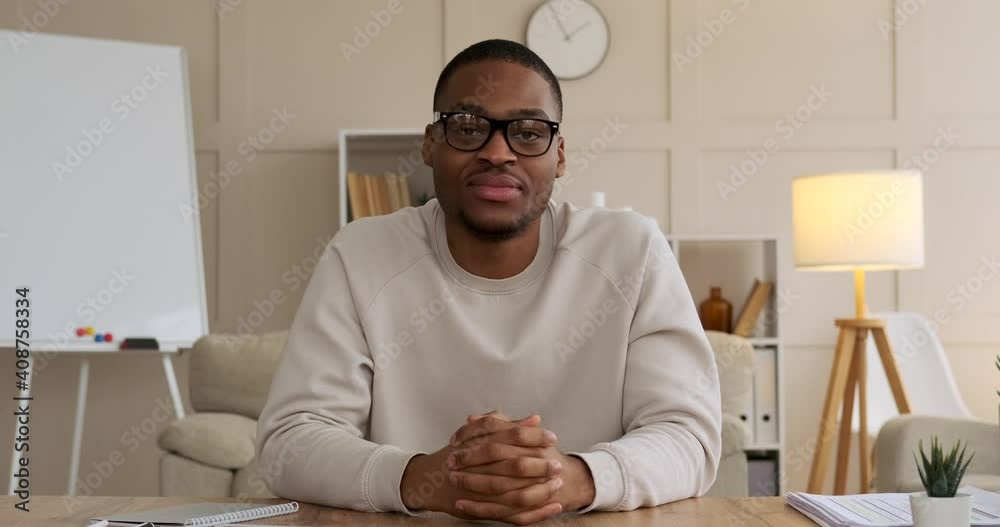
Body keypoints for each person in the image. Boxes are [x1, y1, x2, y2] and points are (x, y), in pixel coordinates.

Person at [256, 38, 721, 525]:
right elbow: (291, 440)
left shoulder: (632, 250)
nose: (498, 152)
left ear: (559, 155)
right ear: (430, 144)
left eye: (527, 132)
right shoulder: (360, 255)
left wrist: (571, 478)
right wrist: (422, 478)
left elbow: (687, 434)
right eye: (469, 127)